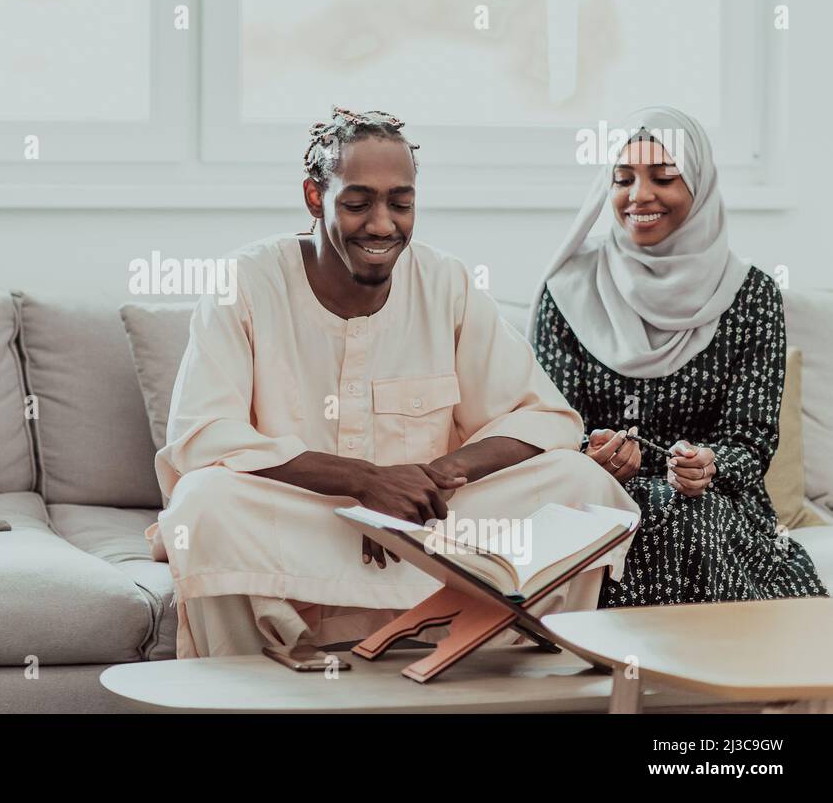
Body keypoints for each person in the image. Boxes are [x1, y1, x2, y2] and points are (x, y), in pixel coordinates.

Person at [144, 105, 640, 659]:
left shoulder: (446, 282)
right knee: (205, 502)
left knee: (579, 480)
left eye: (400, 204)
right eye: (358, 204)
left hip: (428, 525)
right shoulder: (244, 282)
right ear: (315, 197)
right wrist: (363, 482)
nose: (382, 225)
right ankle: (241, 686)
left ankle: (517, 676)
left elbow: (543, 416)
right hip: (307, 521)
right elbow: (204, 436)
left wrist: (434, 477)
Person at [528, 105, 828, 607]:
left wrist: (711, 465)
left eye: (664, 178)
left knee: (686, 514)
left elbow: (751, 439)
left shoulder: (752, 296)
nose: (639, 195)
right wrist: (591, 455)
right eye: (623, 178)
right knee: (646, 516)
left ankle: (681, 654)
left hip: (718, 503)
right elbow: (550, 424)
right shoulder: (569, 289)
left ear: (700, 184)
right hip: (596, 498)